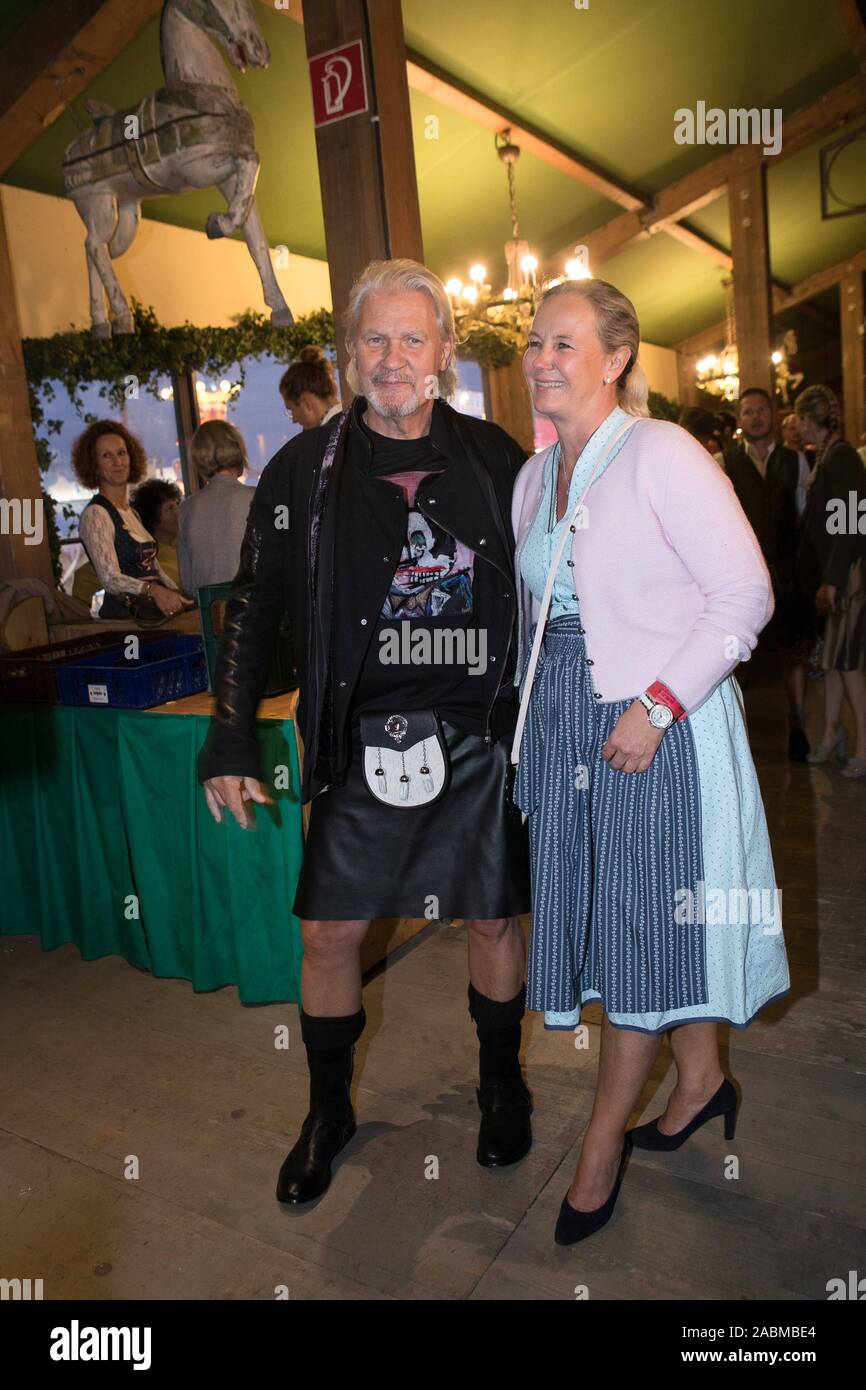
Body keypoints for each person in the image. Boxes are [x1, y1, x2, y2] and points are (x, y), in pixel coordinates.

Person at [198, 258, 532, 1205]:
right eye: (374, 340)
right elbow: (255, 609)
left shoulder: (495, 457)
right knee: (331, 935)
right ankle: (327, 1109)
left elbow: (554, 589)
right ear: (350, 355)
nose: (392, 358)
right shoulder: (302, 470)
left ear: (443, 353)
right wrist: (228, 736)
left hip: (476, 732)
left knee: (495, 917)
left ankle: (501, 1082)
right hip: (355, 736)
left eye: (411, 338)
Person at [511, 278, 790, 1246]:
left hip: (649, 728)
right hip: (562, 720)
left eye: (561, 342)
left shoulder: (662, 451)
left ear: (616, 358)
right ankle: (702, 1078)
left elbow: (743, 594)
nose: (540, 358)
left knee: (633, 936)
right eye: (531, 342)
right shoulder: (531, 473)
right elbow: (537, 618)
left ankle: (598, 1148)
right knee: (619, 915)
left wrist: (657, 704)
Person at [724, 388, 807, 758]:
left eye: (761, 410)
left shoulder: (796, 461)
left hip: (788, 573)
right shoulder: (724, 461)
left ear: (773, 415)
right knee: (737, 655)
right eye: (747, 411)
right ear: (739, 419)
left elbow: (805, 519)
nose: (755, 417)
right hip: (742, 576)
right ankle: (736, 736)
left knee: (794, 653)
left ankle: (798, 726)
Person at [795, 386, 866, 778]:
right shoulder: (828, 456)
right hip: (835, 575)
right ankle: (831, 734)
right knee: (833, 662)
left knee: (849, 663)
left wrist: (834, 580)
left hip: (847, 578)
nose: (798, 428)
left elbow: (853, 523)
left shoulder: (841, 458)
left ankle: (862, 747)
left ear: (810, 420)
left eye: (801, 421)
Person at [73, 420, 193, 620]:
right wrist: (154, 591)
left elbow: (155, 568)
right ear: (93, 466)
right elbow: (110, 579)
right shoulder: (96, 514)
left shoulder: (132, 513)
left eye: (121, 453)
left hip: (155, 610)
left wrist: (178, 596)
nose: (117, 462)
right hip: (128, 618)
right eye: (106, 456)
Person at [176, 420, 255, 595]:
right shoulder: (258, 499)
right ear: (238, 452)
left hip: (208, 615)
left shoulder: (186, 509)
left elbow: (188, 584)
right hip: (253, 611)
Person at [130, 478, 183, 589]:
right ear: (152, 520)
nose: (179, 511)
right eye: (170, 508)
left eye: (178, 504)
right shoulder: (146, 557)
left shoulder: (188, 544)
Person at [279, 345, 342, 430]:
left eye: (291, 410)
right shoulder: (357, 419)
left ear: (307, 403)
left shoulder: (324, 439)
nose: (294, 420)